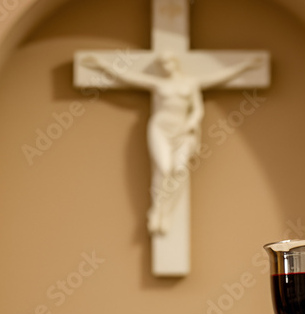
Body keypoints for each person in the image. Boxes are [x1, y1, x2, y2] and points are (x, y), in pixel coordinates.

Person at [82, 51, 262, 234]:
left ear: (175, 63)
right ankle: (156, 210)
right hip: (160, 128)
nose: (165, 67)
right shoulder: (159, 84)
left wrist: (245, 65)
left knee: (179, 170)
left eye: (168, 63)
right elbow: (130, 78)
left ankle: (166, 212)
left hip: (182, 131)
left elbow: (203, 100)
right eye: (162, 64)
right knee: (164, 168)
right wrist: (102, 64)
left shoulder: (190, 83)